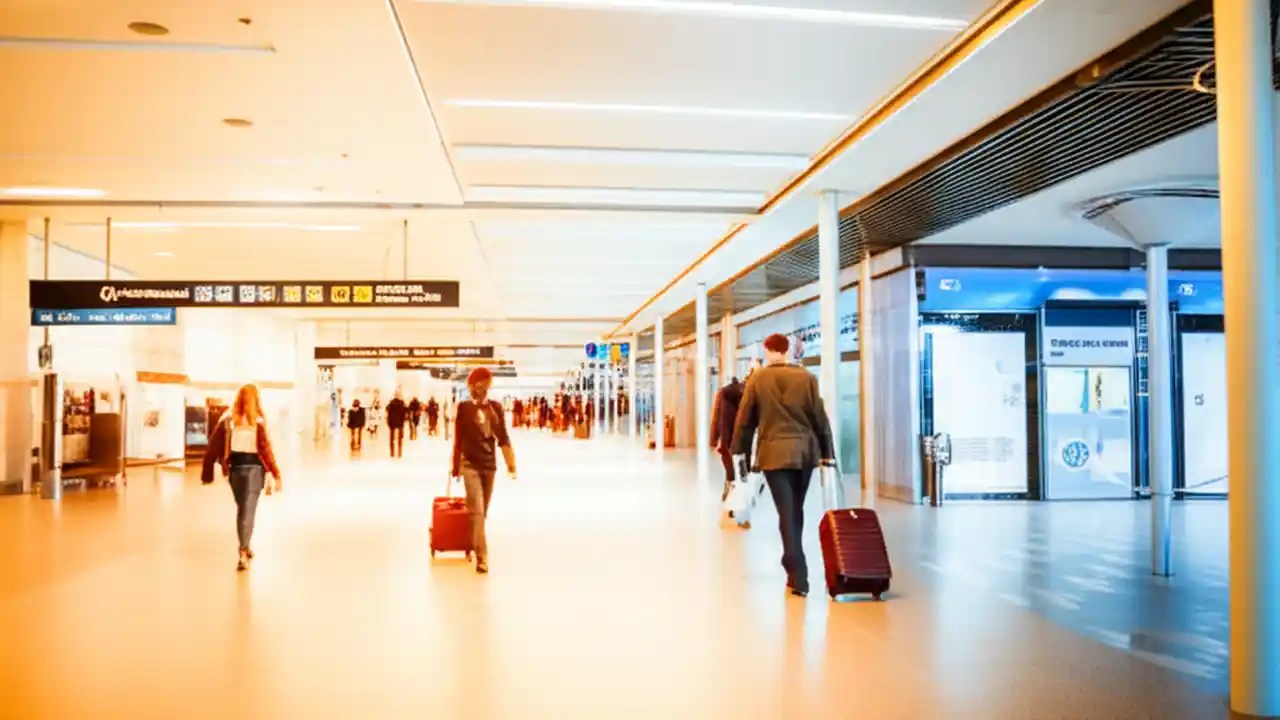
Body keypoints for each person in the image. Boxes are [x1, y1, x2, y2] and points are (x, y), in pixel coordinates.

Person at [731, 333, 834, 598]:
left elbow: (745, 420)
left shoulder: (758, 379)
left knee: (787, 511)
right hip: (804, 453)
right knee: (795, 509)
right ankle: (795, 568)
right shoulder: (807, 378)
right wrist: (828, 453)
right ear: (787, 350)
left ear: (767, 350)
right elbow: (819, 418)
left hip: (774, 453)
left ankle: (796, 567)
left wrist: (738, 454)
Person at [201, 384, 282, 571]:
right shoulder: (258, 421)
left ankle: (245, 546)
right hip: (254, 469)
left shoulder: (228, 420)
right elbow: (265, 450)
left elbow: (213, 446)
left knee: (242, 510)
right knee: (248, 510)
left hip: (235, 470)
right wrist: (276, 473)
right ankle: (243, 551)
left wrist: (207, 473)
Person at [451, 368, 516, 575]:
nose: (478, 389)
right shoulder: (463, 408)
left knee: (482, 512)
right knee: (476, 511)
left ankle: (475, 540)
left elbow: (503, 436)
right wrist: (455, 467)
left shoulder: (496, 408)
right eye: (475, 385)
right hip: (469, 464)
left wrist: (510, 462)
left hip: (490, 466)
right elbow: (458, 439)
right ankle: (482, 557)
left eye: (482, 384)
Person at [711, 376, 746, 501]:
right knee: (742, 467)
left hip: (727, 439)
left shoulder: (723, 393)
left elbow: (717, 416)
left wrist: (714, 438)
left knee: (730, 467)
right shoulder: (746, 394)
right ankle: (740, 492)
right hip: (741, 437)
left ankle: (730, 489)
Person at [386, 390, 407, 458]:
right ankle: (399, 452)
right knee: (399, 438)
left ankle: (392, 453)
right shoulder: (401, 403)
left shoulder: (391, 403)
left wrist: (389, 422)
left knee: (391, 438)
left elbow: (388, 411)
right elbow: (405, 412)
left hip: (392, 422)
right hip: (399, 422)